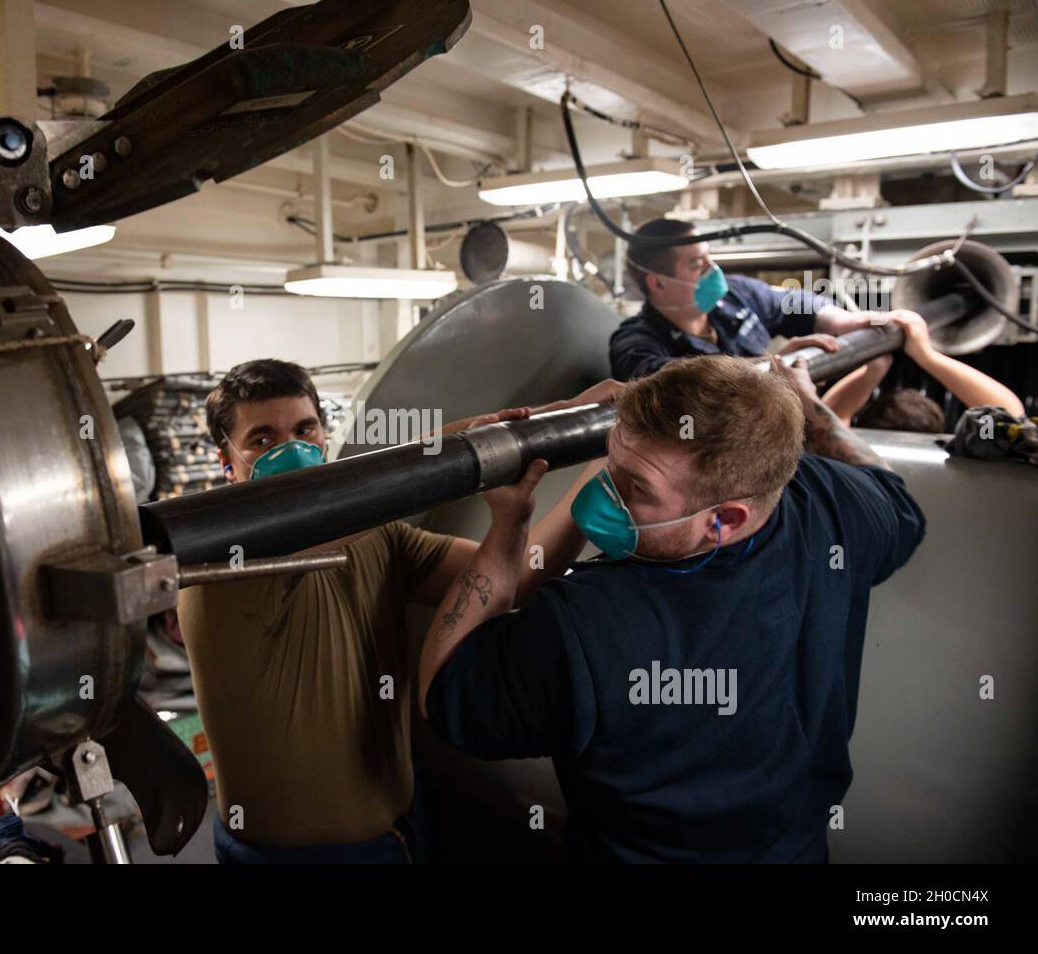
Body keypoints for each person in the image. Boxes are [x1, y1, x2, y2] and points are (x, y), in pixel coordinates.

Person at [418, 354, 927, 862]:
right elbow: (893, 493)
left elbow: (444, 692)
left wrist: (509, 526)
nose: (603, 490)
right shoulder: (831, 502)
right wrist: (811, 406)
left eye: (635, 487)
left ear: (724, 518)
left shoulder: (589, 622)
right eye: (607, 459)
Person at [174, 358, 623, 863]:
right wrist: (551, 416)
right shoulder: (217, 561)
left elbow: (515, 579)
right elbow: (388, 484)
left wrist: (599, 471)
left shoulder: (379, 539)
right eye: (262, 440)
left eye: (304, 429)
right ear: (225, 463)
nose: (291, 450)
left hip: (400, 832)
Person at [609, 218, 879, 381]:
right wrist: (767, 367)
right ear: (657, 283)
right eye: (697, 264)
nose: (712, 269)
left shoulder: (737, 295)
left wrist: (841, 321)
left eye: (709, 256)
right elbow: (672, 382)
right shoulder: (635, 342)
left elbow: (794, 302)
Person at [820, 309, 1025, 430]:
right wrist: (926, 356)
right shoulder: (964, 467)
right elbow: (1010, 419)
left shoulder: (853, 462)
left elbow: (828, 418)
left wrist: (873, 369)